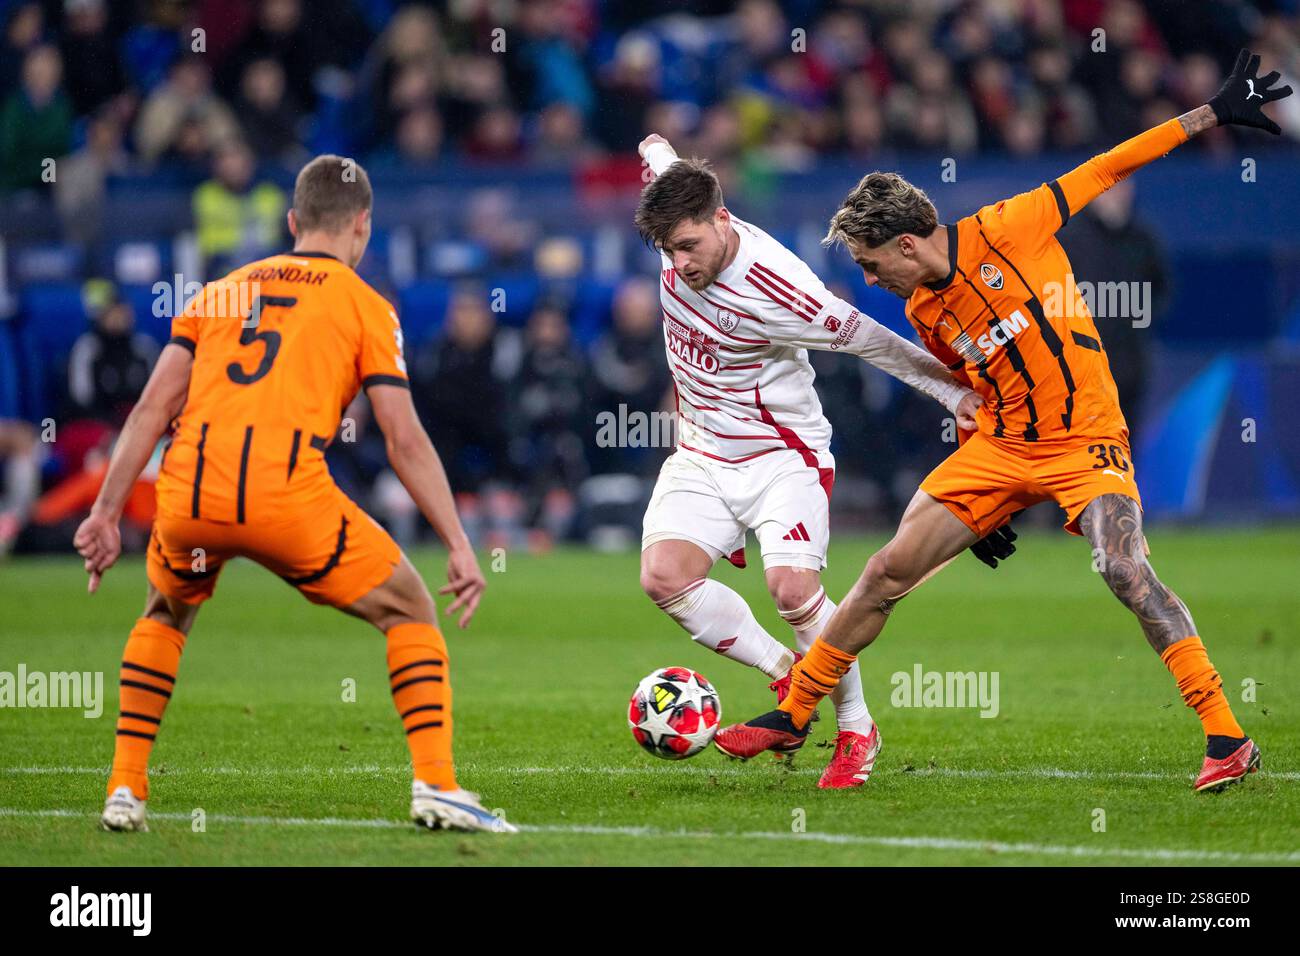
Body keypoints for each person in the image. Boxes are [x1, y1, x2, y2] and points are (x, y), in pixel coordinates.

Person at [715, 49, 1290, 794]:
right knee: (886, 572)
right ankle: (795, 711)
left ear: (907, 243)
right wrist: (986, 506)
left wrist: (1210, 113)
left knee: (1124, 568)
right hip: (1003, 446)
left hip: (1085, 439)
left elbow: (1109, 166)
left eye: (871, 263)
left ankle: (1226, 735)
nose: (870, 279)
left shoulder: (1012, 226)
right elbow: (976, 387)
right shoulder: (925, 310)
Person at [74, 154, 515, 833]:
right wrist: (458, 541)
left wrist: (105, 512)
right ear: (362, 226)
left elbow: (150, 410)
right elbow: (402, 439)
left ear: (291, 222)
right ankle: (436, 785)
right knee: (410, 609)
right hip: (286, 496)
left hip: (191, 492)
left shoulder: (218, 292)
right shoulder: (367, 306)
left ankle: (125, 789)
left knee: (164, 612)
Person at [635, 133, 981, 788]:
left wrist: (954, 394)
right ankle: (786, 674)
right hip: (701, 450)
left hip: (781, 455)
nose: (679, 264)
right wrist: (656, 148)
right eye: (667, 250)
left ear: (723, 221)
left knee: (792, 590)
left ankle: (857, 729)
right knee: (663, 578)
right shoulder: (680, 216)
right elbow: (667, 167)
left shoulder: (781, 290)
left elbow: (873, 341)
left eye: (688, 246)